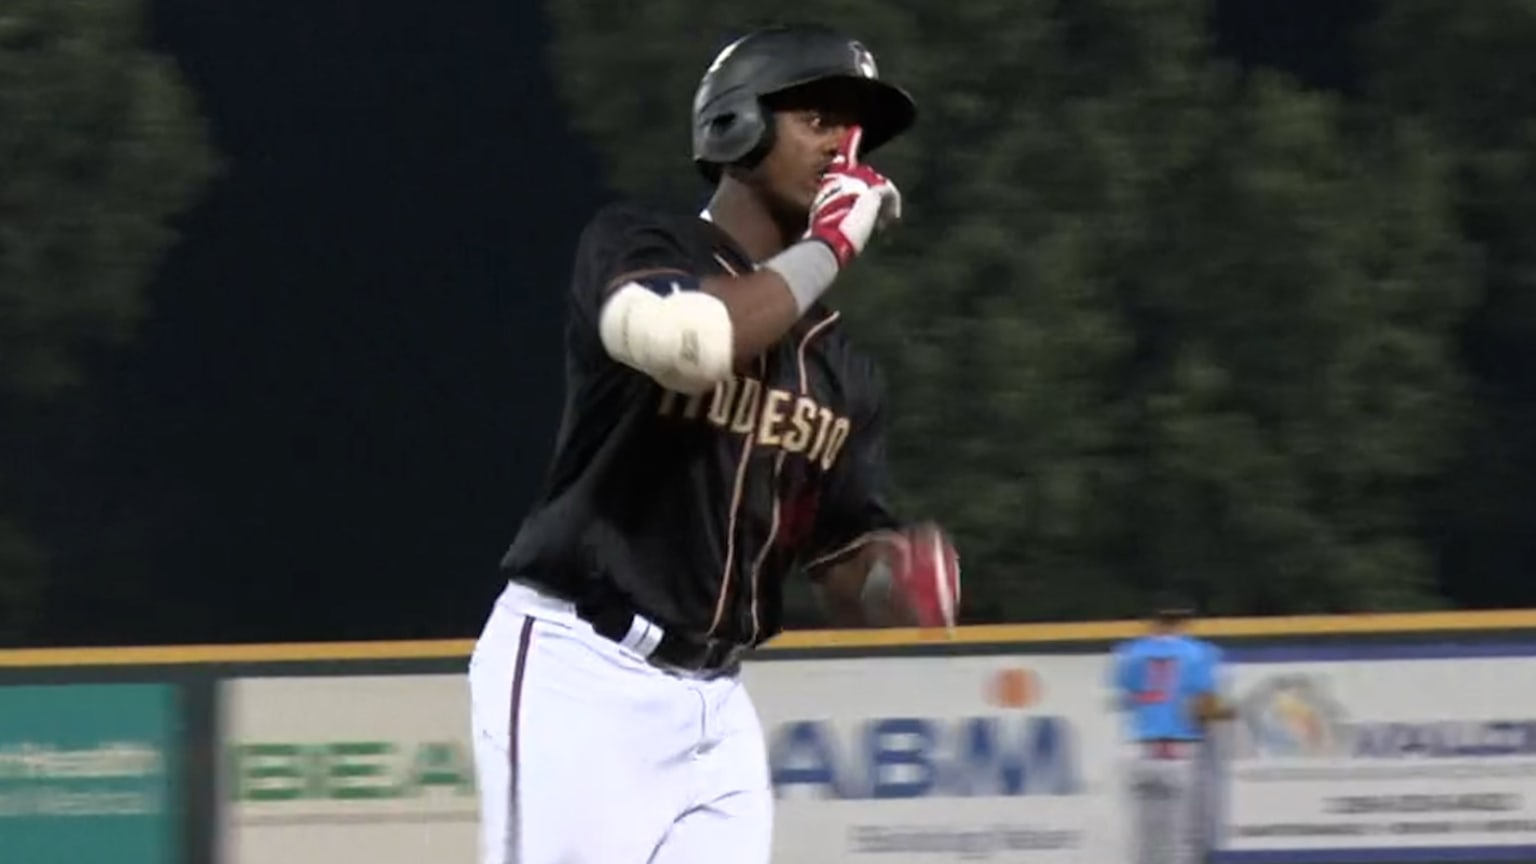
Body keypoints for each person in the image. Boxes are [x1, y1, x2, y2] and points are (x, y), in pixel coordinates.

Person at [466, 23, 960, 864]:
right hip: (582, 672)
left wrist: (891, 580)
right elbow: (688, 343)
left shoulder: (840, 371)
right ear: (737, 125)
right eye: (818, 120)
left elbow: (841, 563)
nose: (845, 152)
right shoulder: (638, 247)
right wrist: (828, 247)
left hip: (717, 704)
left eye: (857, 137)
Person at [1109, 595, 1233, 864]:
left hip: (1139, 749)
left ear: (1153, 621)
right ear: (1186, 621)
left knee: (1144, 840)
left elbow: (1126, 698)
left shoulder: (1129, 653)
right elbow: (1203, 707)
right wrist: (1226, 714)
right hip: (1180, 749)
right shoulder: (1200, 652)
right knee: (1183, 838)